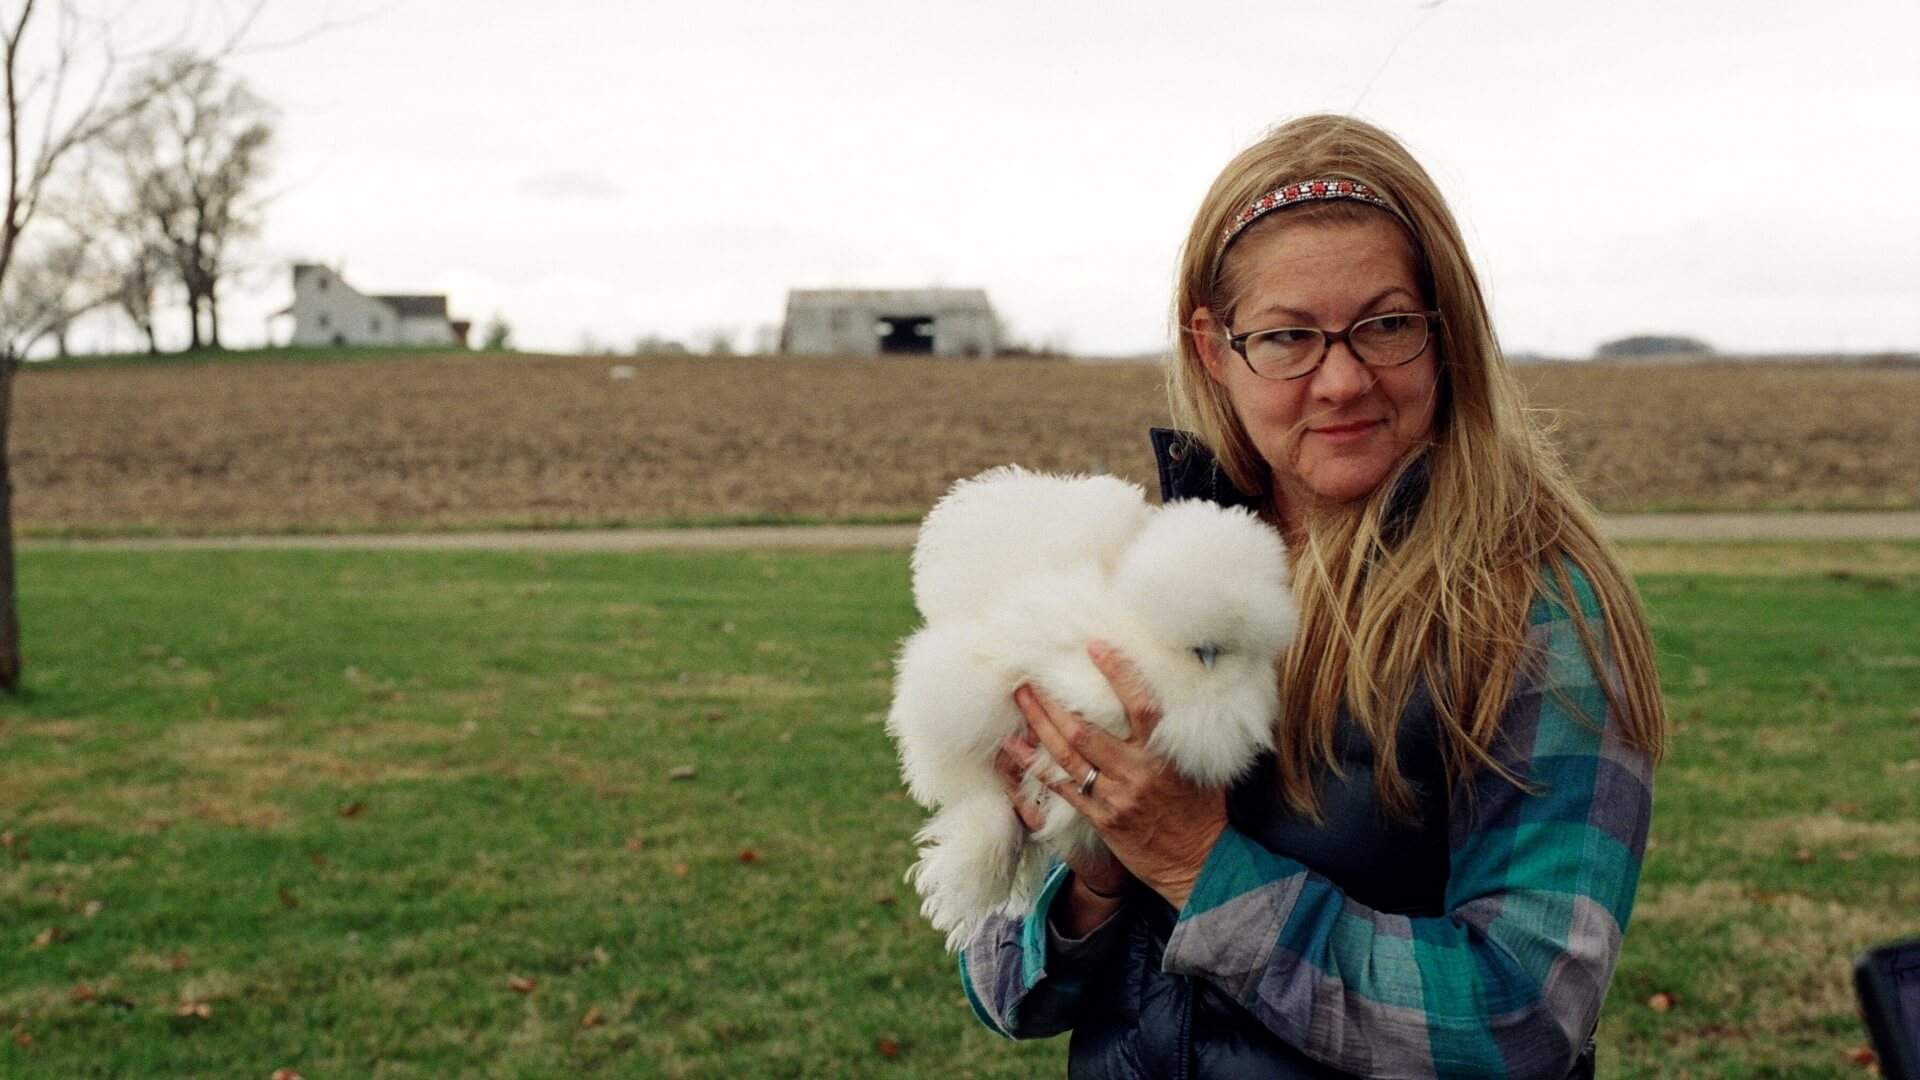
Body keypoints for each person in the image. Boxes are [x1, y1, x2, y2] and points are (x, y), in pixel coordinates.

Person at [956, 114, 1667, 1079]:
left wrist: (1196, 864)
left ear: (1444, 331)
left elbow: (1523, 1016)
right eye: (1287, 337)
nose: (1341, 380)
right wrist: (1096, 868)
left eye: (1384, 325)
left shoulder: (1531, 611)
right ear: (1214, 349)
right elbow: (1004, 989)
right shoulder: (1139, 571)